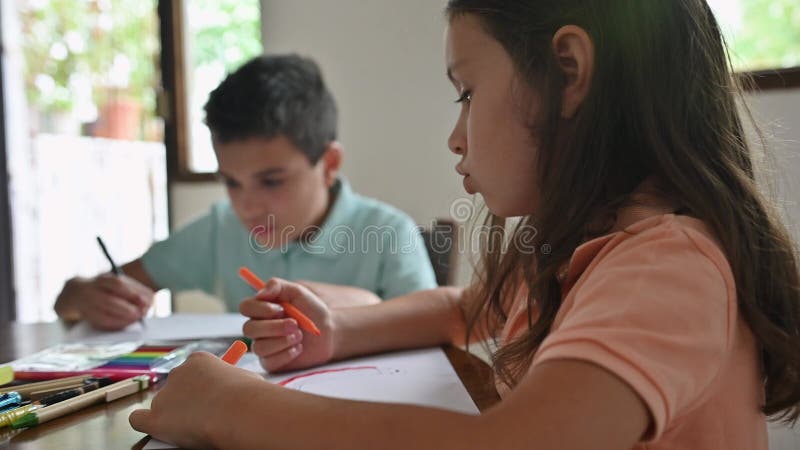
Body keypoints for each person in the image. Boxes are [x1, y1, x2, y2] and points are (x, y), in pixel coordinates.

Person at [129, 1, 800, 448]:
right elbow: (463, 309)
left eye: (467, 93)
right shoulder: (583, 251)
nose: (456, 137)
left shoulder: (665, 267)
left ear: (568, 73)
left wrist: (234, 408)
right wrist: (335, 331)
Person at [54, 54, 437, 330]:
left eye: (271, 181)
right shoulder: (220, 231)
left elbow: (437, 333)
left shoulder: (389, 234)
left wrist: (368, 310)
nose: (247, 206)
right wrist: (83, 295)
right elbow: (75, 300)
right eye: (231, 182)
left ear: (330, 164)